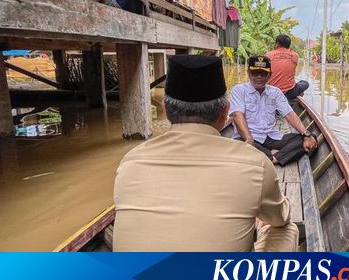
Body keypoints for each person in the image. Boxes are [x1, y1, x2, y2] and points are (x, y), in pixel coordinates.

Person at [113, 55, 298, 252]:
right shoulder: (255, 164)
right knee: (287, 229)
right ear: (224, 111)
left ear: (165, 110)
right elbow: (281, 217)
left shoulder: (129, 161)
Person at [230, 56, 318, 166]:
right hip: (247, 138)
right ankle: (275, 156)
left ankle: (271, 158)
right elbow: (237, 115)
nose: (259, 77)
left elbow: (289, 114)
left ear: (270, 75)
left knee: (311, 138)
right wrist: (249, 139)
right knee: (239, 145)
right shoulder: (238, 90)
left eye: (263, 73)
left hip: (271, 137)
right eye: (255, 73)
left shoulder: (275, 92)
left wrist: (306, 134)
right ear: (248, 73)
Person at [266, 34, 309, 103]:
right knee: (305, 83)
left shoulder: (268, 55)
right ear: (289, 45)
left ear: (277, 44)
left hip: (271, 92)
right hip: (289, 92)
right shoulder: (295, 56)